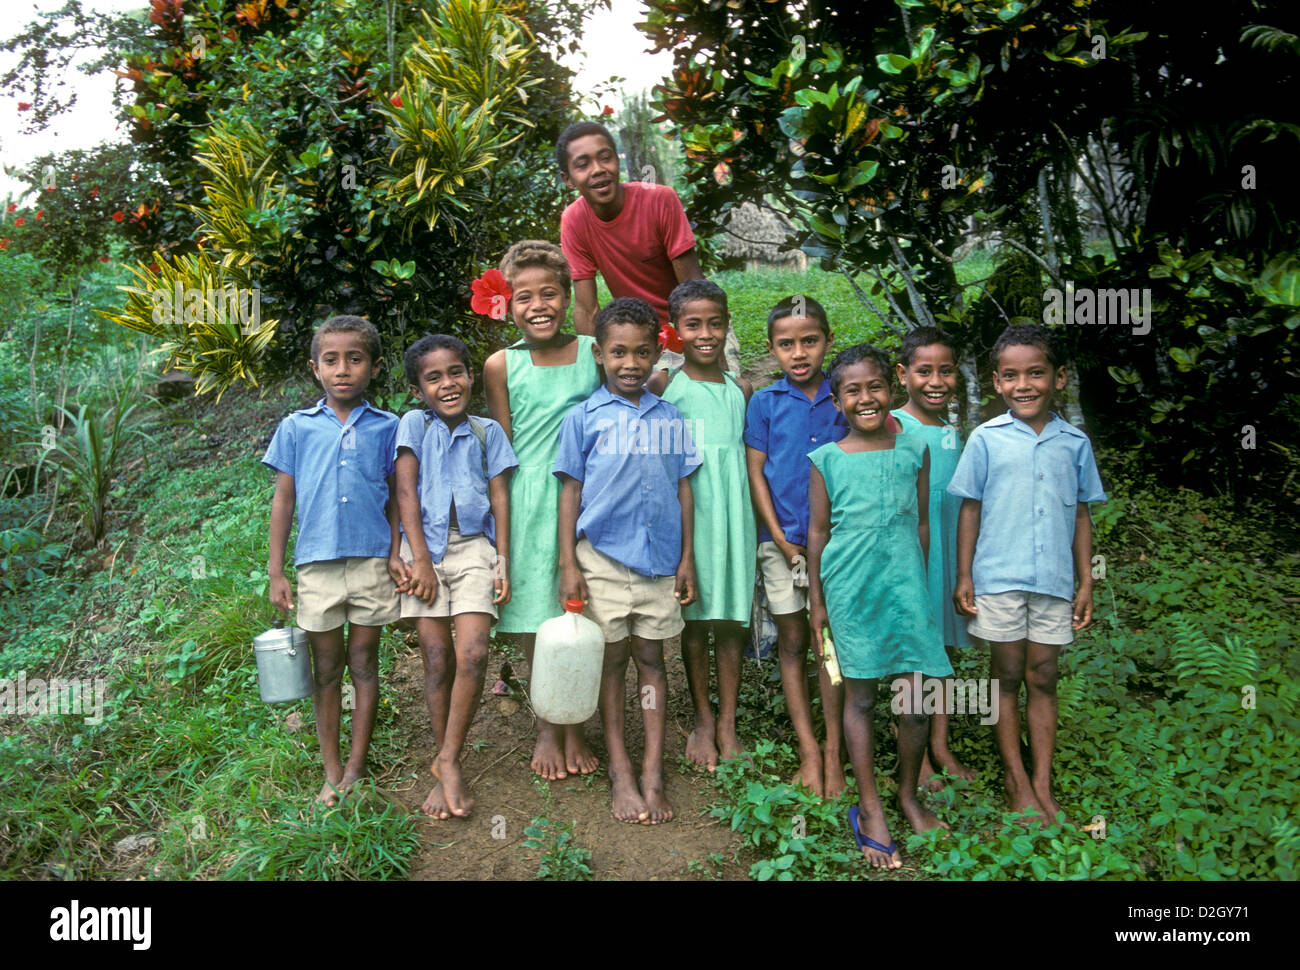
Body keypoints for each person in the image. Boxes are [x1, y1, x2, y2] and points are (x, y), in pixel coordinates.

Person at [948, 323, 1106, 825]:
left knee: (1044, 674)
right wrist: (965, 574)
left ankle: (1042, 779)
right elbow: (969, 509)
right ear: (996, 382)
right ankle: (1015, 779)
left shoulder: (1074, 443)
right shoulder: (986, 439)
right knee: (1007, 675)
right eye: (1012, 376)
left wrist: (1085, 580)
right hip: (998, 578)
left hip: (1055, 582)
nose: (1024, 385)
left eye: (1036, 374)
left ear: (1059, 378)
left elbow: (1081, 514)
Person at [554, 297, 701, 824]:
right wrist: (569, 563)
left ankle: (653, 771)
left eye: (642, 353)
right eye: (618, 353)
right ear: (599, 354)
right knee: (611, 663)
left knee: (653, 662)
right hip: (601, 561)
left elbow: (685, 489)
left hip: (660, 563)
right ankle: (620, 768)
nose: (631, 364)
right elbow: (569, 492)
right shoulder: (582, 418)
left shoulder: (672, 417)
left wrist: (687, 557)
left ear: (658, 353)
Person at [807, 343, 953, 868]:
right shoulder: (826, 460)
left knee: (915, 700)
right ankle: (870, 808)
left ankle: (908, 792)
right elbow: (819, 535)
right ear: (836, 400)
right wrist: (817, 602)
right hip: (851, 590)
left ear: (890, 391)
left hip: (906, 588)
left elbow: (920, 523)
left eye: (875, 387)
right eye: (853, 390)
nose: (866, 398)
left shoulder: (916, 450)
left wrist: (920, 579)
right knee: (862, 699)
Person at [264, 314, 403, 806]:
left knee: (365, 662)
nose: (343, 368)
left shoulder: (389, 427)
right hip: (317, 565)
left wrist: (395, 554)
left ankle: (357, 767)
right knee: (326, 668)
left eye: (355, 358)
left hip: (371, 564)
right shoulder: (297, 427)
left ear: (374, 367)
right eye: (331, 360)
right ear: (315, 369)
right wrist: (276, 570)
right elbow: (284, 499)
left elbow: (397, 498)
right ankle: (331, 768)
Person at [483, 240, 603, 781]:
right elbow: (502, 450)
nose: (538, 305)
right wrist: (500, 533)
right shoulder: (500, 364)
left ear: (567, 298)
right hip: (531, 497)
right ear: (505, 305)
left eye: (549, 293)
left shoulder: (592, 351)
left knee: (581, 605)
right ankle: (549, 724)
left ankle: (578, 719)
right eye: (524, 296)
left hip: (588, 490)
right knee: (536, 616)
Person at [395, 333, 518, 819]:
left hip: (472, 550)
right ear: (417, 390)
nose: (448, 384)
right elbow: (405, 492)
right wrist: (420, 559)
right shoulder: (413, 425)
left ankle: (447, 759)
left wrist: (502, 558)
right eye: (433, 378)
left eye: (456, 373)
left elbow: (501, 498)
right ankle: (447, 762)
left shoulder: (488, 431)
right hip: (422, 549)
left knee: (473, 653)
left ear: (471, 376)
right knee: (436, 657)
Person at [646, 279, 754, 770]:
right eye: (694, 324)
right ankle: (702, 719)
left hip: (736, 515)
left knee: (730, 621)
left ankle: (728, 722)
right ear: (676, 330)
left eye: (715, 323)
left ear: (727, 326)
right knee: (695, 621)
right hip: (692, 517)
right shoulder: (666, 384)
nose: (706, 333)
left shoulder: (741, 388)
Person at [742, 295, 846, 798]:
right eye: (787, 344)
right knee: (792, 641)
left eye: (809, 341)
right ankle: (808, 749)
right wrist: (780, 540)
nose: (799, 352)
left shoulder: (844, 397)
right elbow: (756, 472)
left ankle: (833, 753)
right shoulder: (764, 403)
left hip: (839, 546)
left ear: (828, 341)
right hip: (780, 543)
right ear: (772, 349)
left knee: (829, 644)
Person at [557, 121, 739, 372]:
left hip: (695, 325)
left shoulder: (660, 199)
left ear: (617, 161)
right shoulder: (574, 220)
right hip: (641, 338)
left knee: (716, 401)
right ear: (567, 179)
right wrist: (597, 374)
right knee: (646, 405)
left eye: (605, 158)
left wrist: (717, 367)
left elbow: (692, 286)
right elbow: (587, 309)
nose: (598, 170)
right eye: (583, 164)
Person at [891, 326, 977, 789]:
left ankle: (940, 744)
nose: (936, 381)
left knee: (941, 649)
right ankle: (913, 748)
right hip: (910, 553)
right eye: (924, 371)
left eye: (946, 370)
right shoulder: (893, 426)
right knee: (912, 653)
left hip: (945, 551)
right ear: (903, 374)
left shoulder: (951, 432)